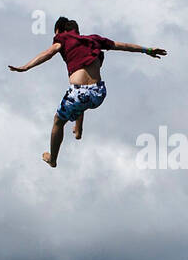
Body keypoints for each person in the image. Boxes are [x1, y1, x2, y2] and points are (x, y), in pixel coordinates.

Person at [9, 16, 167, 167]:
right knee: (79, 97)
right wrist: (147, 50)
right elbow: (123, 46)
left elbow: (48, 53)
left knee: (59, 120)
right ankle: (78, 130)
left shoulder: (62, 39)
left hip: (79, 94)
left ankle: (53, 159)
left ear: (58, 31)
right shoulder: (93, 39)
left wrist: (26, 66)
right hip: (98, 93)